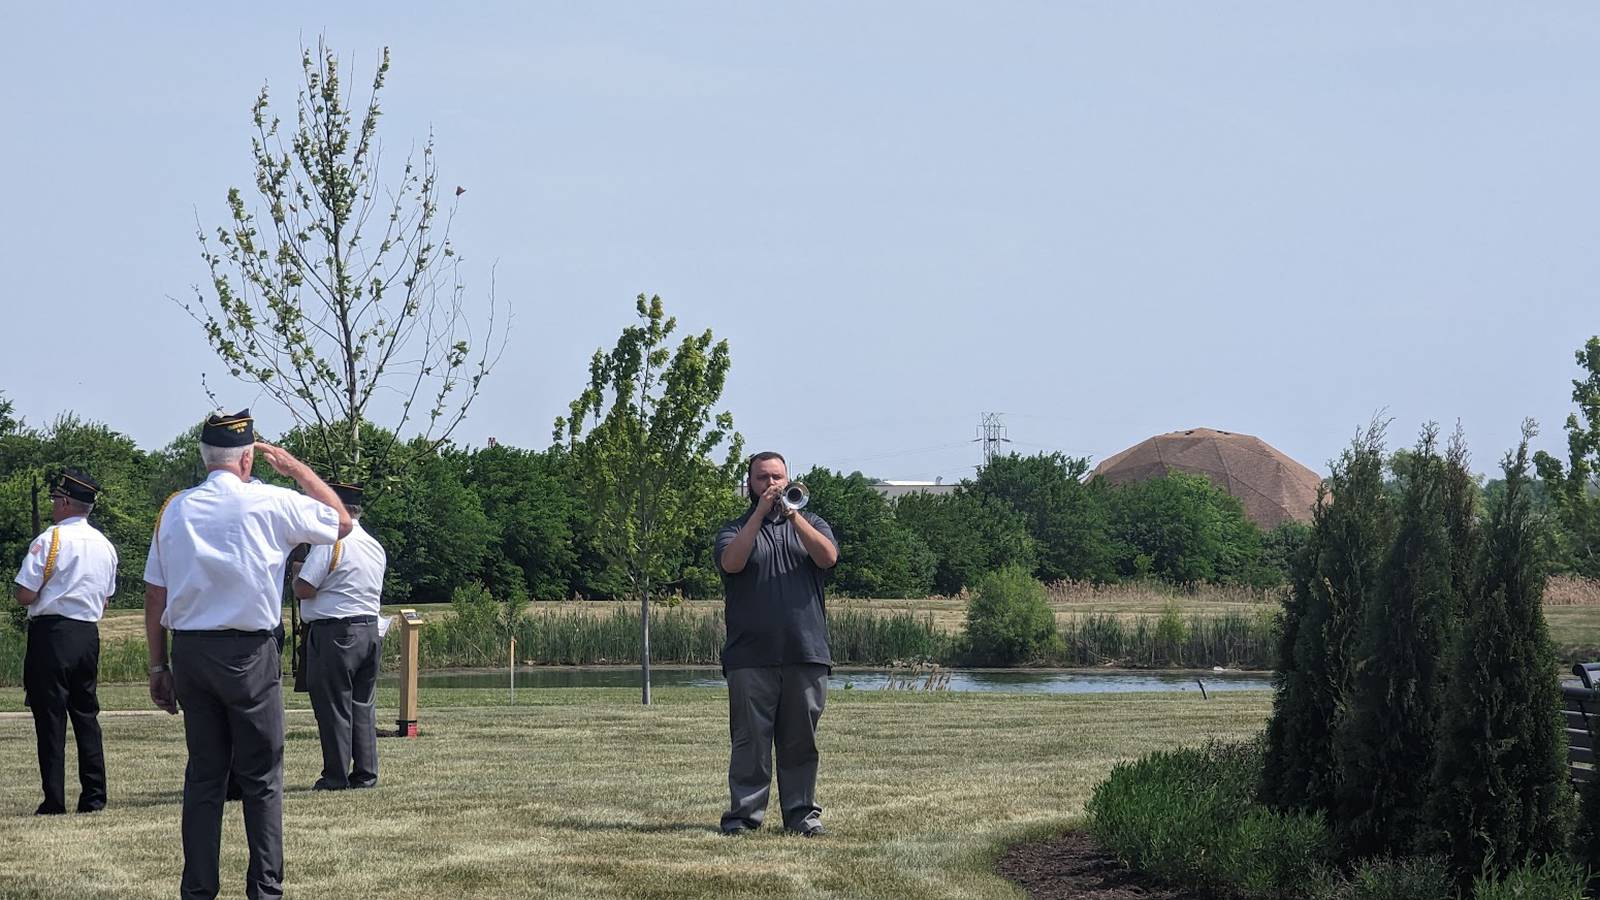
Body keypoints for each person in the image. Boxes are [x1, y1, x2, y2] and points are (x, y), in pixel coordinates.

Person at [143, 410, 350, 900]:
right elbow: (341, 521)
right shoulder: (271, 500)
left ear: (205, 457)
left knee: (204, 776)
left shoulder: (175, 509)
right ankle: (264, 889)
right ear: (247, 458)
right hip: (249, 651)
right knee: (261, 777)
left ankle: (197, 889)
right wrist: (296, 469)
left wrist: (158, 665)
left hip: (191, 650)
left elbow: (155, 593)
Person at [714, 451, 840, 837]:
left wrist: (793, 515)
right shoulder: (734, 529)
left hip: (805, 651)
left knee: (801, 742)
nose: (771, 484)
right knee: (750, 742)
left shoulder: (812, 522)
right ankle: (743, 818)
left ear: (788, 479)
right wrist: (758, 515)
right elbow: (732, 563)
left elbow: (828, 558)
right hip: (750, 655)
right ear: (749, 485)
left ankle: (802, 816)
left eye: (777, 477)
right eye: (762, 478)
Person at [14, 468, 118, 815]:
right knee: (86, 714)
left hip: (52, 633)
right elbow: (106, 598)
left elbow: (25, 594)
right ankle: (94, 796)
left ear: (67, 503)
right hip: (87, 633)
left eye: (56, 499)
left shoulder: (50, 539)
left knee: (50, 717)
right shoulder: (105, 545)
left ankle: (54, 799)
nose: (53, 505)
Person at [294, 481, 387, 791]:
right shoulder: (373, 545)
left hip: (335, 633)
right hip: (369, 630)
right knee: (362, 706)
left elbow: (305, 588)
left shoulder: (331, 543)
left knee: (333, 706)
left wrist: (295, 573)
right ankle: (365, 773)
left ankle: (335, 775)